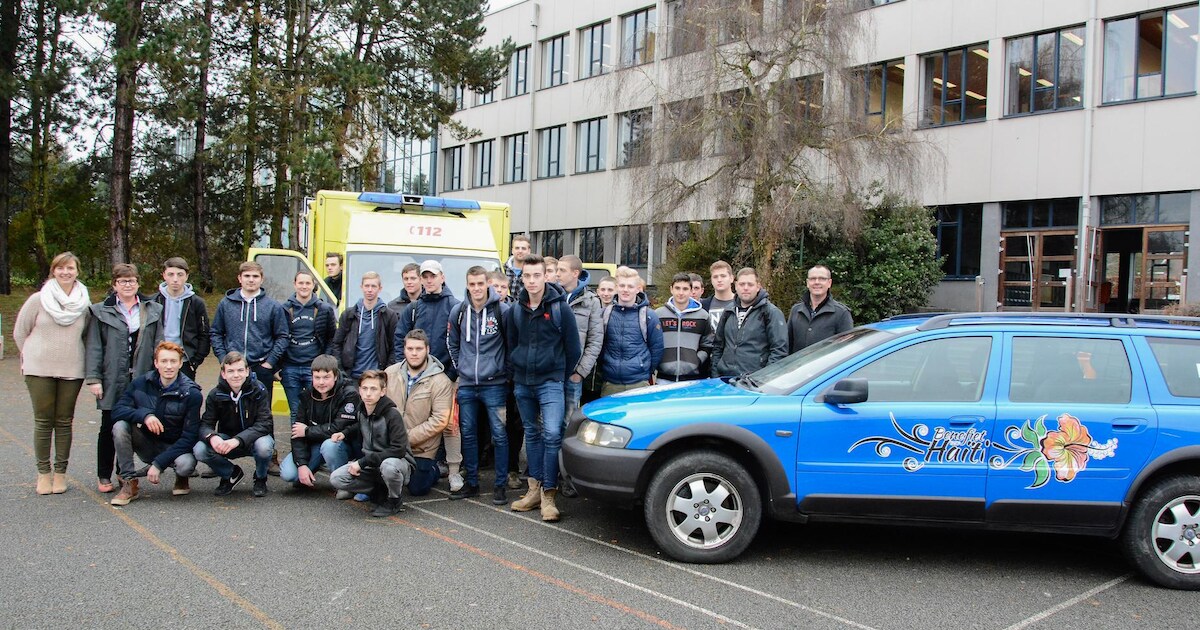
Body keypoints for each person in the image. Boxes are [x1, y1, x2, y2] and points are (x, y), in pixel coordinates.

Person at [504, 254, 580, 522]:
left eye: (537, 275)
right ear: (522, 277)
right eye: (527, 276)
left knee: (552, 434)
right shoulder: (516, 310)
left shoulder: (560, 308)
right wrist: (517, 373)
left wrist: (559, 374)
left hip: (550, 382)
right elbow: (512, 345)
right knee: (532, 435)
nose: (532, 281)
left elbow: (573, 348)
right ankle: (533, 490)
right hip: (523, 383)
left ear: (545, 276)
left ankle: (549, 494)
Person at [14, 252, 90, 495]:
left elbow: (86, 336)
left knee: (64, 421)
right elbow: (20, 332)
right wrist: (32, 356)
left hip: (71, 369)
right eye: (60, 268)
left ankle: (60, 474)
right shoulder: (38, 299)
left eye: (70, 268)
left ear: (77, 271)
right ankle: (43, 474)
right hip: (39, 370)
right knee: (44, 421)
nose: (65, 272)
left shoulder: (84, 304)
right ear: (53, 271)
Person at [85, 264, 164, 494]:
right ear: (114, 285)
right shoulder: (100, 311)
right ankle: (104, 473)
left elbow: (159, 343)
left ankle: (124, 472)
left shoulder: (153, 309)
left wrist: (158, 376)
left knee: (130, 426)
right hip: (112, 377)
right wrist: (94, 378)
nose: (127, 285)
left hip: (141, 377)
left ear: (138, 283)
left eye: (131, 281)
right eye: (122, 281)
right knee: (108, 425)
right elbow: (94, 347)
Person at [393, 259, 462, 490]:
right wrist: (403, 369)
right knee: (418, 418)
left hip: (446, 376)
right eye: (425, 276)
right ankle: (420, 462)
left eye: (433, 276)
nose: (429, 280)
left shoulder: (455, 306)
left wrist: (452, 373)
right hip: (416, 376)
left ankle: (453, 471)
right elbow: (400, 339)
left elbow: (460, 343)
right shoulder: (413, 308)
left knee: (450, 425)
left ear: (442, 277)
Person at [109, 341, 203, 505]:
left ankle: (181, 477)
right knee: (120, 426)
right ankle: (129, 482)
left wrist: (159, 464)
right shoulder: (141, 383)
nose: (169, 366)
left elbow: (190, 437)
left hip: (177, 448)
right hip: (148, 444)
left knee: (185, 465)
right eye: (164, 361)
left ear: (180, 364)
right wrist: (145, 416)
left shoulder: (192, 393)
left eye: (173, 361)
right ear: (156, 363)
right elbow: (117, 411)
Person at [447, 267, 510, 504]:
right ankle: (472, 482)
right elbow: (452, 343)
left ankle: (500, 485)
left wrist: (504, 372)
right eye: (472, 284)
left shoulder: (502, 310)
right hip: (467, 385)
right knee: (468, 434)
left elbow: (511, 344)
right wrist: (461, 369)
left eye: (480, 284)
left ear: (488, 284)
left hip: (495, 384)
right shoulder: (459, 311)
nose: (476, 288)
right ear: (467, 284)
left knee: (499, 435)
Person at [329, 370, 415, 517]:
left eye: (373, 389)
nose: (368, 394)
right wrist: (344, 433)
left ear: (383, 392)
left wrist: (362, 462)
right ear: (359, 390)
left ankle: (394, 500)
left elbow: (399, 450)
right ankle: (379, 490)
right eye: (365, 388)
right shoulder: (362, 410)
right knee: (336, 478)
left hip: (397, 464)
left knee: (388, 466)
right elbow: (361, 425)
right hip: (373, 464)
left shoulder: (392, 414)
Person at [193, 351, 275, 497]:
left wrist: (238, 440)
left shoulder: (259, 390)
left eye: (240, 370)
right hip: (227, 440)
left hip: (254, 439)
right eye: (231, 371)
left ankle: (260, 477)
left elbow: (265, 423)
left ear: (247, 371)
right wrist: (212, 437)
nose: (236, 375)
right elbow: (205, 424)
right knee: (200, 449)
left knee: (264, 447)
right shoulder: (215, 394)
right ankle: (230, 474)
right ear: (223, 374)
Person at [384, 330, 453, 498]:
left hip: (422, 449)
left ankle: (434, 469)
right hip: (391, 443)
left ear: (427, 350)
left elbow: (439, 420)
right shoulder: (389, 373)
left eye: (419, 349)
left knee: (417, 489)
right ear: (404, 350)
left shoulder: (440, 380)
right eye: (410, 349)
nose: (414, 353)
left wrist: (406, 438)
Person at [280, 354, 360, 497]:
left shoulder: (349, 394)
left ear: (335, 376)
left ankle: (343, 483)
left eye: (326, 377)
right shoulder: (307, 395)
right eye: (317, 378)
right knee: (289, 474)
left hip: (342, 443)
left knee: (329, 445)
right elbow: (297, 433)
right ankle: (312, 467)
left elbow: (337, 428)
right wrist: (301, 465)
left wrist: (307, 431)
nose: (321, 382)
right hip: (315, 444)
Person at [209, 261, 288, 400]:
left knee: (261, 410)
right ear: (239, 278)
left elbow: (282, 336)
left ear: (261, 279)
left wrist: (270, 362)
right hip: (232, 367)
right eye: (247, 276)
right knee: (228, 408)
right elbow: (216, 333)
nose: (251, 280)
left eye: (255, 276)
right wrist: (223, 358)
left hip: (261, 368)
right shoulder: (226, 304)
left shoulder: (273, 306)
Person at [280, 270, 337, 426]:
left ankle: (314, 439)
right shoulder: (284, 309)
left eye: (307, 283)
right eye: (301, 283)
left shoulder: (324, 309)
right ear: (294, 284)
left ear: (313, 285)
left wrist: (325, 362)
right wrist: (277, 366)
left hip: (315, 369)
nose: (304, 286)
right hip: (290, 368)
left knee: (316, 410)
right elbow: (278, 337)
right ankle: (297, 441)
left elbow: (332, 337)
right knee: (295, 411)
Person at [711, 267, 789, 377]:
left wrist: (764, 378)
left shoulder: (770, 312)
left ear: (758, 286)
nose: (746, 288)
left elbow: (779, 351)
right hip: (725, 378)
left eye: (750, 284)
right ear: (736, 286)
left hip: (754, 380)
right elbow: (718, 346)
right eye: (742, 284)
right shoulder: (728, 311)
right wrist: (715, 375)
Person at [598, 267, 664, 396]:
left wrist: (644, 370)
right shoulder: (605, 314)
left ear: (638, 289)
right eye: (622, 285)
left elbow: (657, 348)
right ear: (617, 287)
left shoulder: (648, 316)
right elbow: (599, 346)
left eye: (630, 286)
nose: (625, 290)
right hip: (610, 383)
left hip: (639, 382)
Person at [557, 255, 603, 415]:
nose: (557, 274)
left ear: (575, 273)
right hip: (551, 373)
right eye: (557, 270)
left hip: (573, 374)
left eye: (562, 270)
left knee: (569, 421)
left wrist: (580, 372)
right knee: (548, 422)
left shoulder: (591, 301)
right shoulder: (551, 296)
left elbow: (595, 340)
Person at [330, 272, 398, 378]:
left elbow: (394, 346)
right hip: (351, 376)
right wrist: (341, 371)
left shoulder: (389, 315)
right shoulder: (349, 314)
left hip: (377, 376)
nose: (369, 290)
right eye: (366, 286)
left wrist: (386, 372)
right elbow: (337, 344)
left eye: (373, 286)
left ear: (380, 289)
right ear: (361, 287)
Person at [153, 257, 210, 381]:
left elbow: (204, 333)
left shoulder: (196, 303)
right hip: (159, 359)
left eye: (180, 274)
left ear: (186, 276)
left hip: (185, 360)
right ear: (164, 275)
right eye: (171, 274)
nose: (175, 279)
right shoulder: (154, 301)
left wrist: (195, 360)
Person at [656, 272, 715, 382]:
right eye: (677, 288)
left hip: (693, 379)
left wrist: (697, 361)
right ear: (671, 289)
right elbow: (652, 343)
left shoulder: (703, 316)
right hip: (664, 378)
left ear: (691, 291)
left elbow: (707, 343)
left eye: (685, 289)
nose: (681, 293)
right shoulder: (659, 314)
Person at [788, 264, 854, 353]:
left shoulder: (841, 313)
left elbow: (846, 349)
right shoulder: (796, 310)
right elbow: (788, 345)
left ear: (829, 283)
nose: (817, 282)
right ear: (807, 283)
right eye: (812, 279)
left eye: (822, 279)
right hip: (798, 362)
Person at [701, 260, 737, 331]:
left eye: (723, 276)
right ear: (711, 280)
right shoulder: (703, 306)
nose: (719, 280)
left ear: (731, 278)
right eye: (715, 277)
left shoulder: (742, 304)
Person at [505, 234, 531, 299]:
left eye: (523, 248)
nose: (520, 251)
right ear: (512, 250)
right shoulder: (502, 269)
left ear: (529, 251)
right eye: (517, 248)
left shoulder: (532, 272)